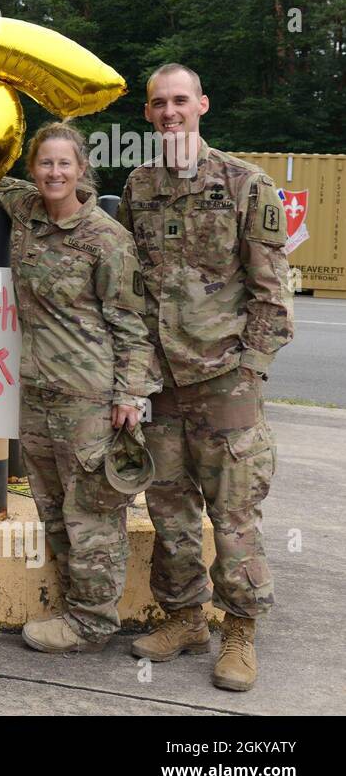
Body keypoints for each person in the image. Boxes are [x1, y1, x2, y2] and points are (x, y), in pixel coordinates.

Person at [0, 122, 161, 652]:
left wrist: (129, 395)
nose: (55, 173)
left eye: (65, 164)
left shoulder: (106, 239)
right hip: (35, 396)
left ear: (82, 170)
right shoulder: (27, 210)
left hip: (89, 399)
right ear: (33, 168)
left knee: (93, 513)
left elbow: (130, 323)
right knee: (52, 508)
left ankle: (93, 623)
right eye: (45, 163)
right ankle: (74, 609)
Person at [117, 63, 292, 691]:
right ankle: (186, 618)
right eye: (159, 102)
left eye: (180, 100)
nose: (170, 111)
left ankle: (239, 630)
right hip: (161, 384)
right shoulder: (139, 186)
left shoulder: (246, 185)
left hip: (225, 380)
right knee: (169, 510)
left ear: (203, 105)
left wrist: (250, 372)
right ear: (148, 113)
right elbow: (134, 286)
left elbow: (273, 295)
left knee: (235, 513)